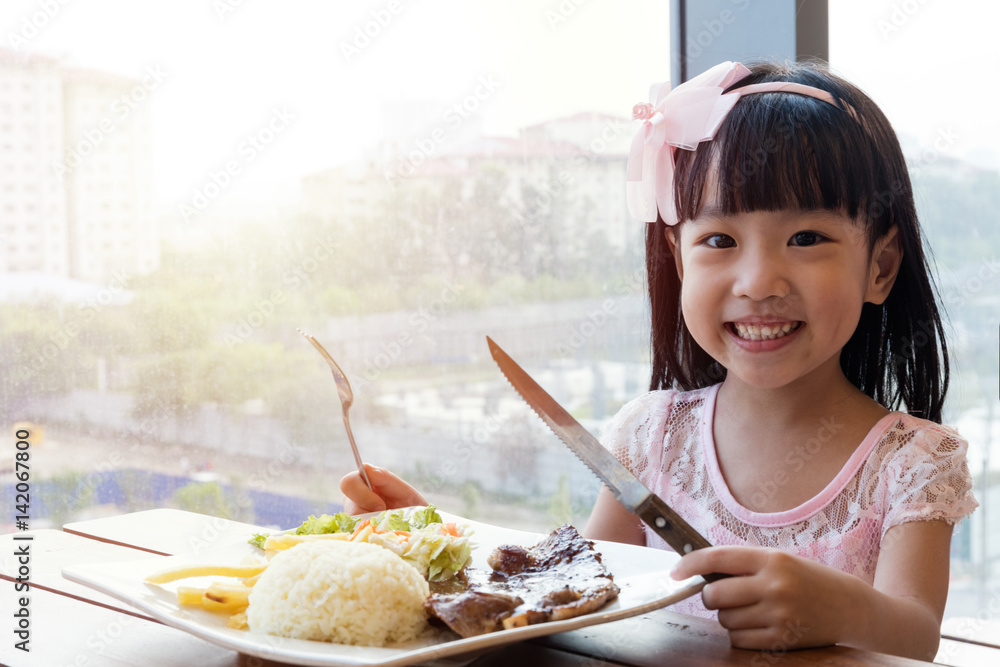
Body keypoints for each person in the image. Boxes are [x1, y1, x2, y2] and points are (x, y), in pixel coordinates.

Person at [341, 60, 978, 660]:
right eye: (719, 240)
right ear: (679, 262)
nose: (758, 280)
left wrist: (842, 610)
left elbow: (915, 637)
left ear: (881, 266)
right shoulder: (651, 438)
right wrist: (433, 549)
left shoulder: (915, 465)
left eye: (806, 238)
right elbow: (581, 598)